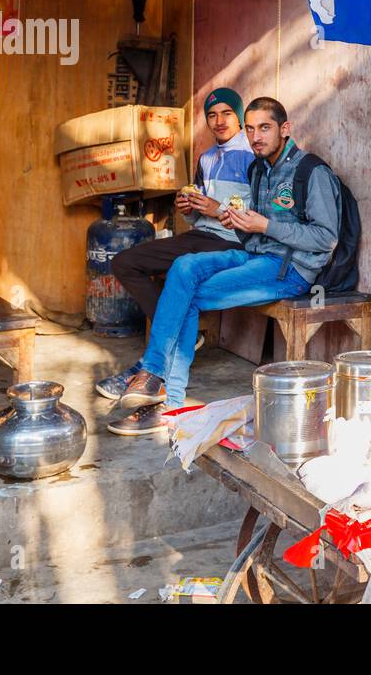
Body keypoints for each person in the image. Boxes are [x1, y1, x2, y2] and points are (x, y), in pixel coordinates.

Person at [101, 97, 343, 436]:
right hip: (255, 253)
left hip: (290, 270)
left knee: (189, 293)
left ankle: (170, 399)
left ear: (284, 129)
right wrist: (236, 221)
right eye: (251, 128)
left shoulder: (310, 172)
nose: (256, 136)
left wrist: (265, 226)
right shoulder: (259, 169)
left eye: (265, 128)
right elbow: (257, 225)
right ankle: (154, 374)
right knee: (184, 268)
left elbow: (325, 238)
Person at [108, 87, 254, 323]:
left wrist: (218, 209)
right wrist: (188, 209)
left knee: (182, 272)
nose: (219, 121)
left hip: (234, 242)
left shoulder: (254, 157)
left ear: (239, 117)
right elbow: (199, 214)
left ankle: (175, 333)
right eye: (212, 115)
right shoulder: (206, 158)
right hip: (199, 236)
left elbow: (263, 214)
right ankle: (176, 328)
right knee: (124, 263)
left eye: (227, 113)